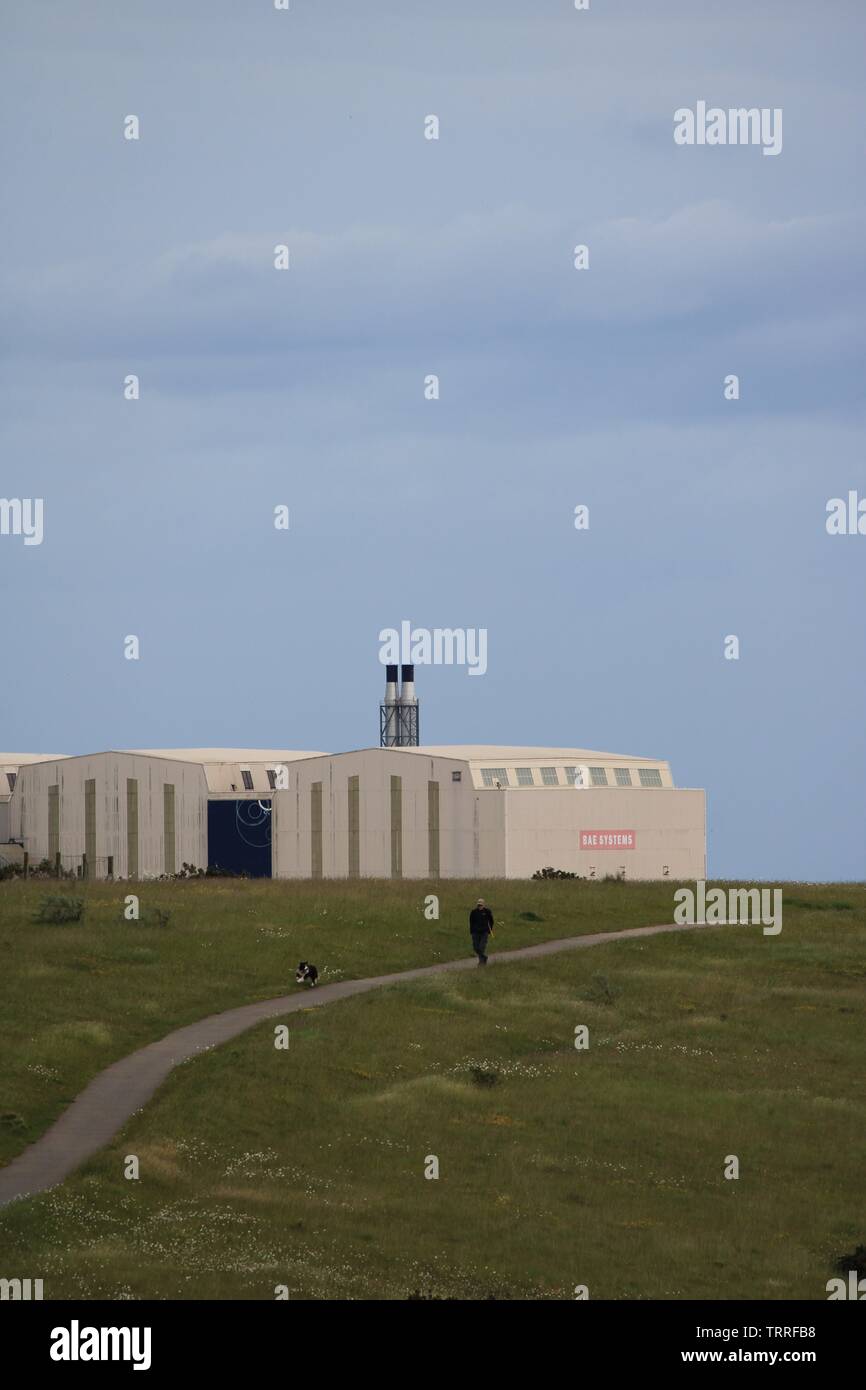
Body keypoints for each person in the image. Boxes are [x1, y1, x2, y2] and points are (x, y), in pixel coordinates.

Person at [469, 897, 495, 966]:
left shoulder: (487, 911)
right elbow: (471, 922)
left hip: (484, 932)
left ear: (483, 905)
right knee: (475, 947)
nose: (479, 906)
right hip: (475, 932)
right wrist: (471, 931)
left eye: (481, 905)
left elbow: (491, 921)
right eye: (478, 905)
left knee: (481, 947)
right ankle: (484, 957)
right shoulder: (473, 912)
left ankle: (481, 962)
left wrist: (489, 930)